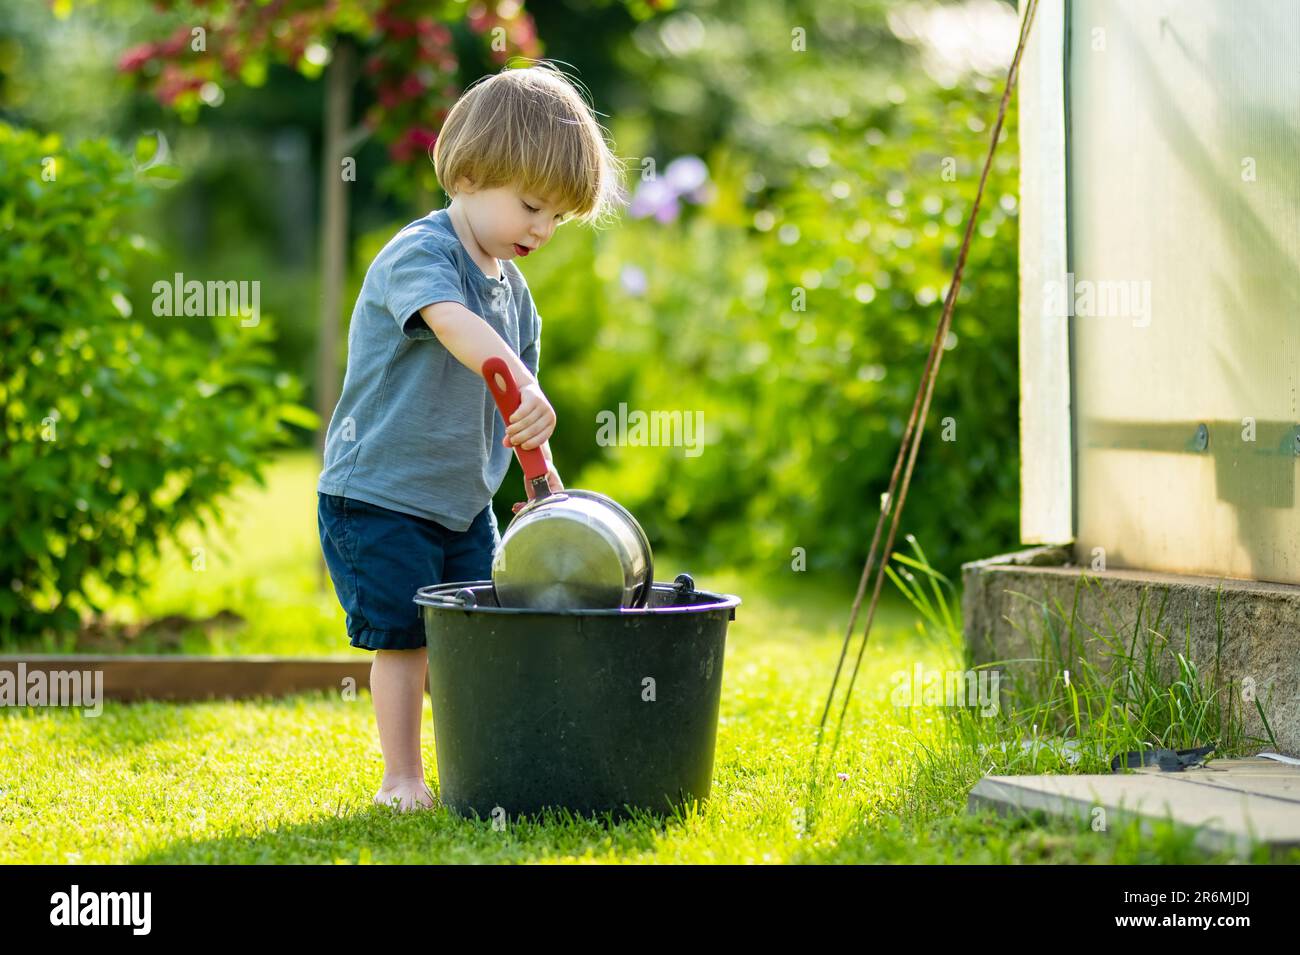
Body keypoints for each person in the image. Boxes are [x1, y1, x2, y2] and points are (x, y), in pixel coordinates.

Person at [316, 61, 626, 812]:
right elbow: (455, 327)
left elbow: (514, 417)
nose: (544, 230)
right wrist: (516, 372)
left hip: (462, 504)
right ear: (472, 173)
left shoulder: (517, 298)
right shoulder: (420, 255)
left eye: (558, 217)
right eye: (531, 206)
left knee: (473, 638)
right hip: (379, 497)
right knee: (405, 637)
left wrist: (539, 483)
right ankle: (402, 776)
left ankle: (476, 763)